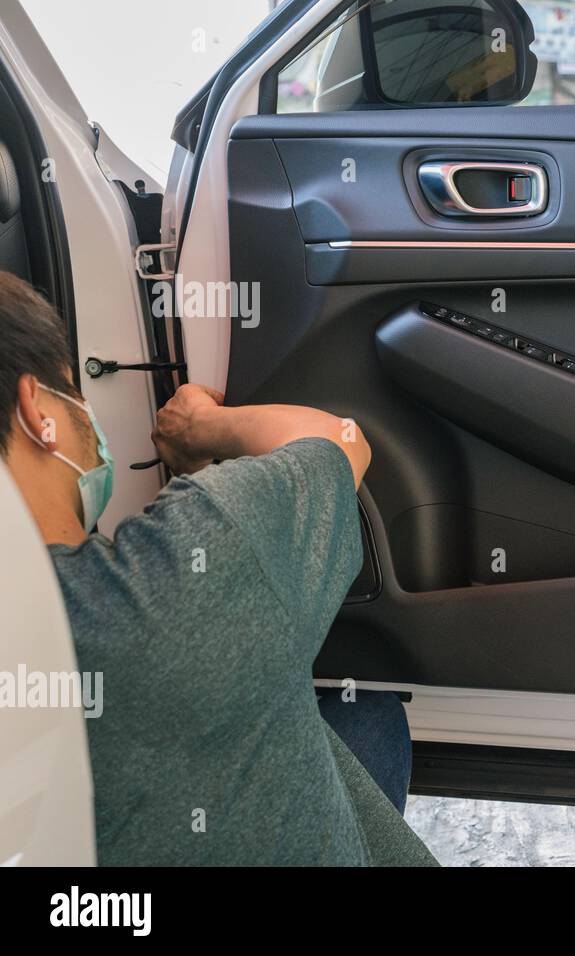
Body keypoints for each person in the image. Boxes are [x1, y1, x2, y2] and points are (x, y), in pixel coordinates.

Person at [0, 272, 435, 866]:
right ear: (36, 410)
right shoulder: (172, 579)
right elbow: (341, 441)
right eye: (74, 390)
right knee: (371, 719)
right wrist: (198, 429)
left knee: (365, 722)